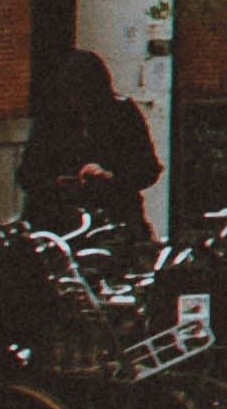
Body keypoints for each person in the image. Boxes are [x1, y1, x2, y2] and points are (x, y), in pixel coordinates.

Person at [22, 41, 161, 257]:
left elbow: (148, 168)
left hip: (114, 218)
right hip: (59, 220)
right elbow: (27, 173)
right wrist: (57, 183)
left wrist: (112, 176)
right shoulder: (52, 118)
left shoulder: (122, 114)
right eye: (72, 96)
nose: (78, 103)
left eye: (84, 95)